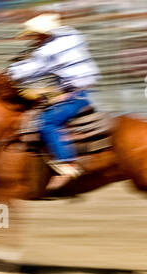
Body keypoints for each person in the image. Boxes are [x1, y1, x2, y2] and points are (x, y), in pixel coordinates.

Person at [8, 12, 100, 190]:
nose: (33, 40)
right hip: (87, 90)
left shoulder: (48, 50)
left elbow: (27, 72)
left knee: (47, 121)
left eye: (34, 36)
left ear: (42, 34)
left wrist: (10, 72)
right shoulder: (72, 35)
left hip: (76, 94)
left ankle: (67, 163)